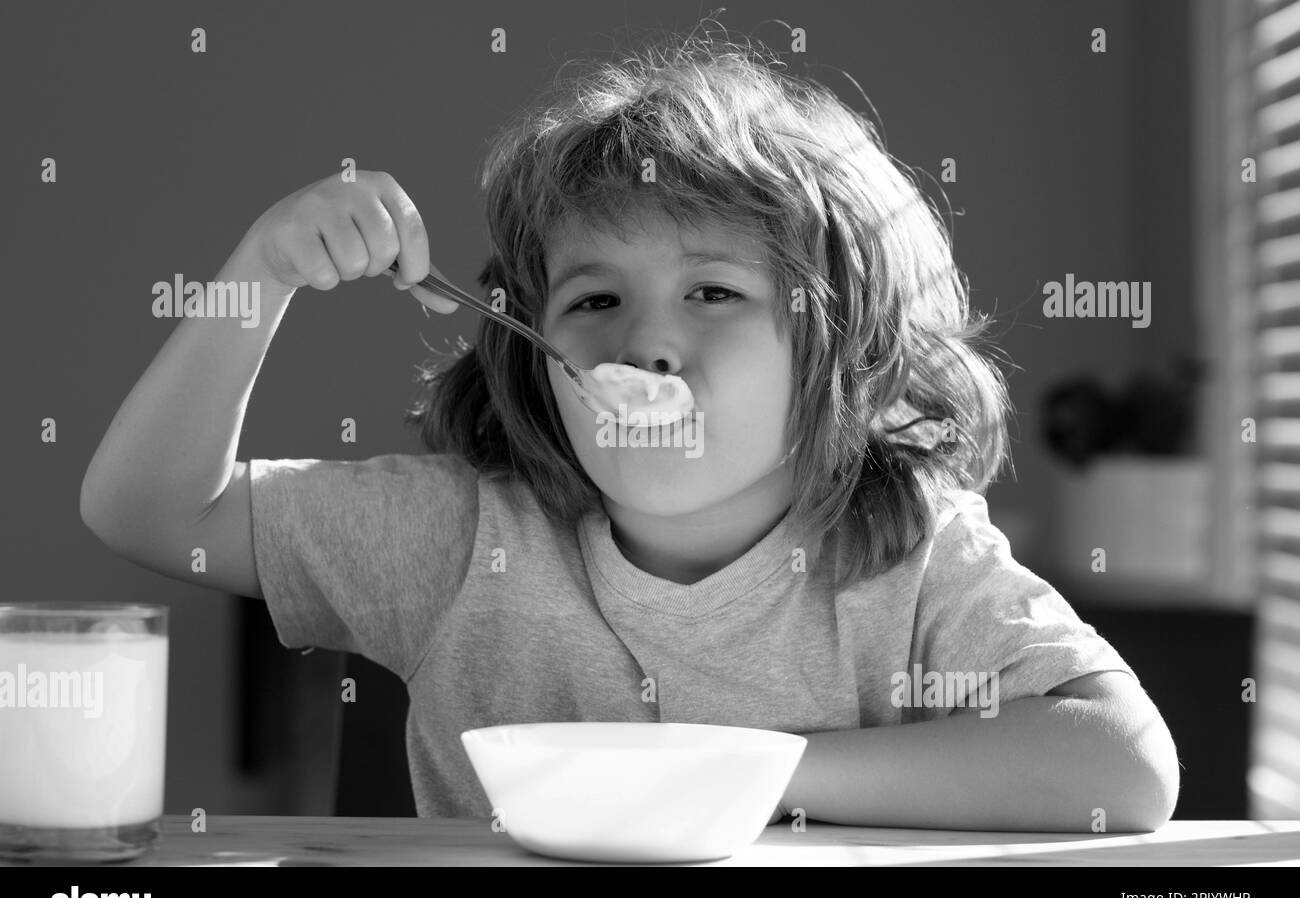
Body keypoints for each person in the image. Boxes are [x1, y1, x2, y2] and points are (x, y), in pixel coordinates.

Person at [81, 32, 1179, 830]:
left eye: (712, 293)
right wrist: (260, 277)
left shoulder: (911, 554)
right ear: (536, 353)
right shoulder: (463, 535)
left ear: (836, 345)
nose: (644, 346)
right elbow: (149, 513)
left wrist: (749, 768)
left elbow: (1123, 768)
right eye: (595, 301)